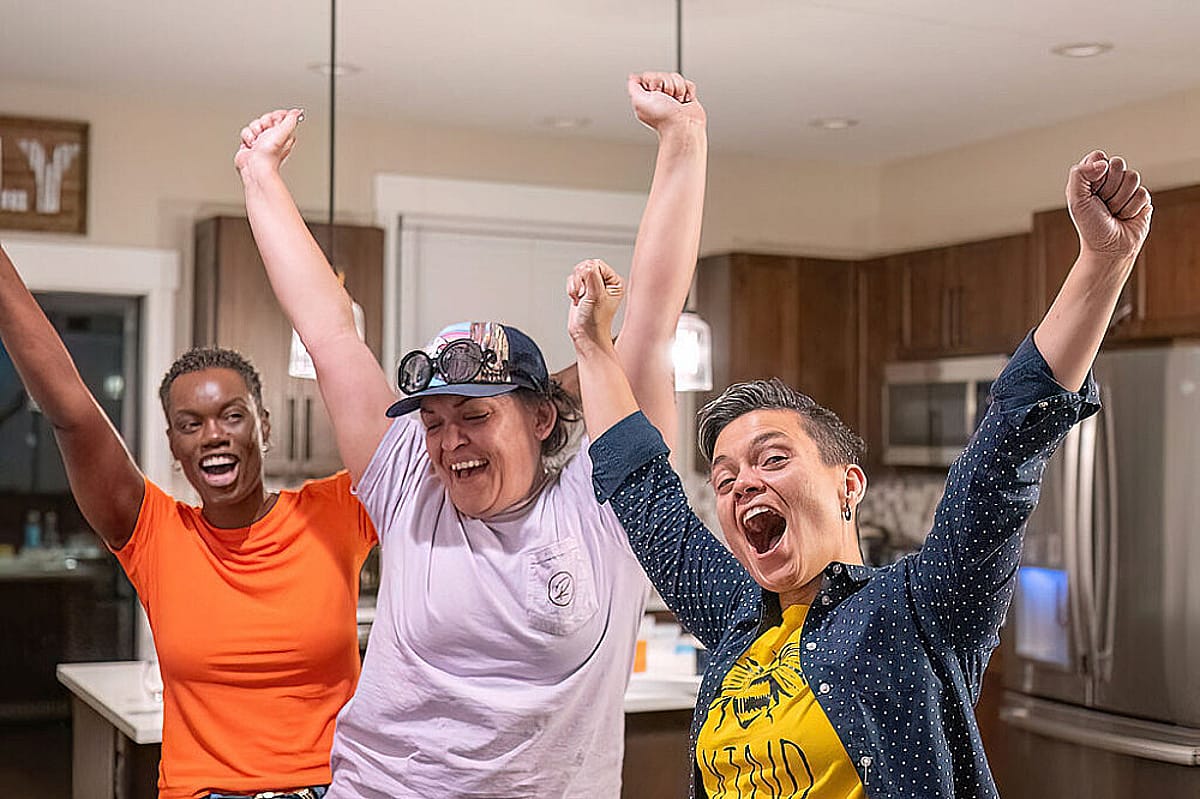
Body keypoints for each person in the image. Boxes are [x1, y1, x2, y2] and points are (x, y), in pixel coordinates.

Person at [567, 149, 1152, 798]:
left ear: (848, 484)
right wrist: (593, 345)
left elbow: (1009, 442)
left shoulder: (918, 609)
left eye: (772, 457)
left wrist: (1105, 259)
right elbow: (641, 488)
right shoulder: (737, 614)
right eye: (726, 478)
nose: (741, 485)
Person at [234, 71, 707, 797]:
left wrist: (682, 138)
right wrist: (259, 175)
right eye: (433, 420)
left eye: (476, 415)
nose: (449, 440)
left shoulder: (606, 504)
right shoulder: (407, 483)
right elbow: (327, 331)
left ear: (541, 417)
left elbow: (651, 324)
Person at [0, 244, 377, 799]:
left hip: (332, 789)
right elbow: (71, 411)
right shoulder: (152, 532)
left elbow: (437, 446)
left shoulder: (336, 512)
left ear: (264, 428)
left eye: (232, 416)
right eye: (190, 424)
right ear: (174, 447)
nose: (214, 435)